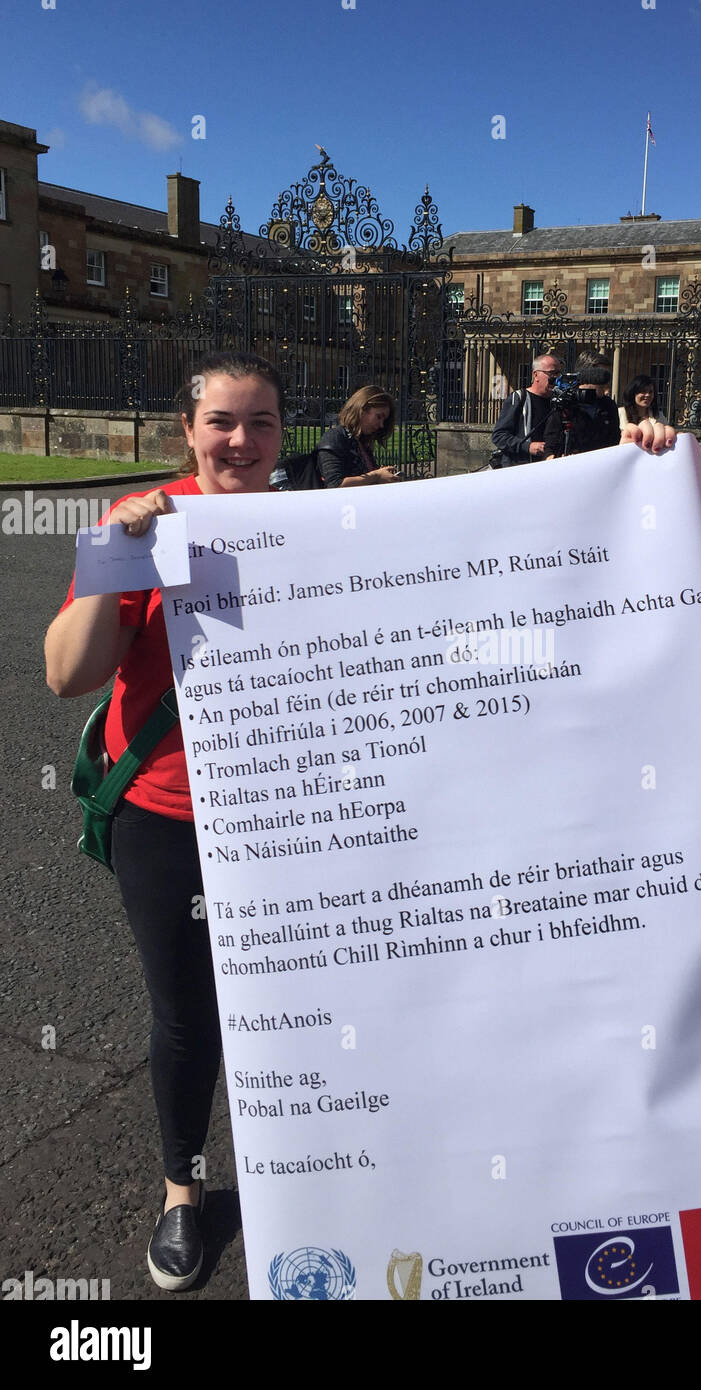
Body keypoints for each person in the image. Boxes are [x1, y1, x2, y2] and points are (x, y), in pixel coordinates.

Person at [44, 351, 287, 1292]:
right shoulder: (135, 526)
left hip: (294, 811)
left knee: (310, 995)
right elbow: (68, 673)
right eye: (222, 421)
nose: (241, 440)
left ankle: (316, 1171)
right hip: (168, 813)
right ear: (188, 430)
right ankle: (181, 1188)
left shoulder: (320, 521)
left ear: (283, 434)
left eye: (261, 422)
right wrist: (112, 556)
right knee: (187, 1015)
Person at [316, 385, 399, 487]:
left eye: (384, 420)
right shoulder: (335, 437)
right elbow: (335, 484)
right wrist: (376, 475)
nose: (381, 425)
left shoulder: (362, 443)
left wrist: (381, 475)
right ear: (362, 410)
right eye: (379, 417)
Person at [490, 353, 563, 467]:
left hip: (550, 468)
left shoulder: (559, 401)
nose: (556, 378)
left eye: (558, 373)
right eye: (551, 373)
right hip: (521, 468)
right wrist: (527, 446)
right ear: (536, 374)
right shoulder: (519, 398)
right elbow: (499, 436)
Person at [542, 356, 621, 458]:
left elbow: (614, 440)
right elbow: (551, 444)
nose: (605, 382)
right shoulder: (565, 403)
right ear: (586, 375)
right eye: (601, 375)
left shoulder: (609, 405)